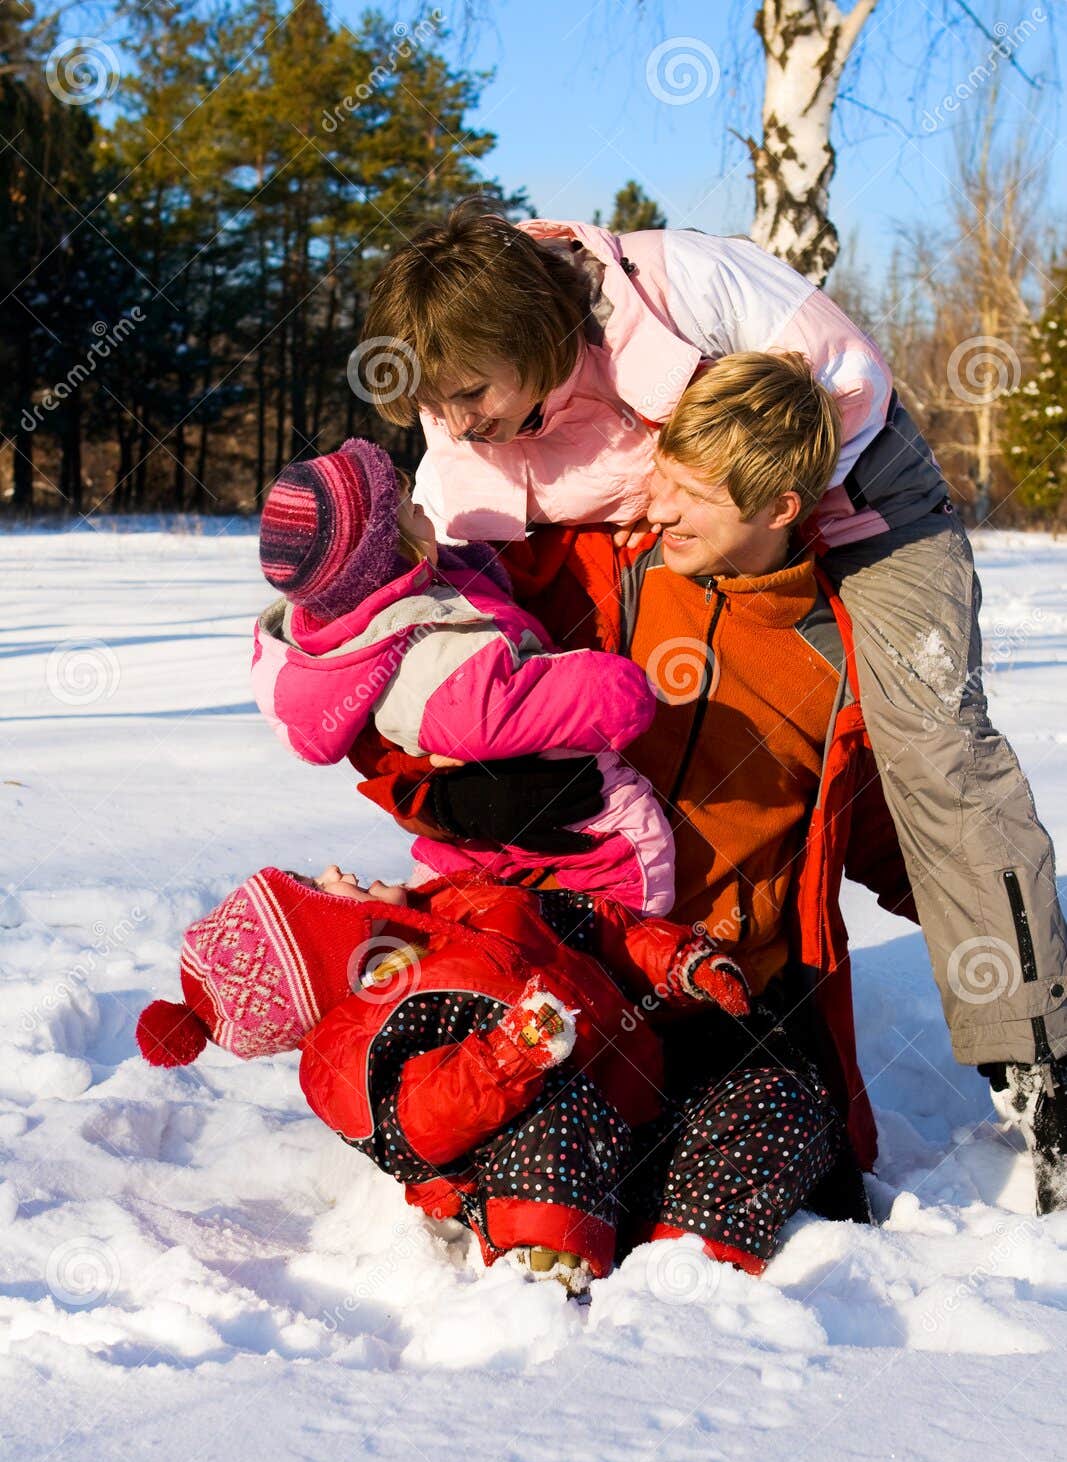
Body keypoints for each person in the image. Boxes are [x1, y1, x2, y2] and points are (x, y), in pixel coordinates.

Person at [362, 202, 1067, 1206]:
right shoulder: (462, 394)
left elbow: (851, 387)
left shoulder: (681, 284)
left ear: (529, 333)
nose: (459, 420)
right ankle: (558, 1004)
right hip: (680, 535)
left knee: (927, 752)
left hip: (852, 504)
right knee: (574, 730)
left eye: (471, 393)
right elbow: (453, 566)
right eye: (441, 402)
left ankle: (1039, 1055)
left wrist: (750, 525)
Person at [135, 862, 839, 1291]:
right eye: (316, 887)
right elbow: (420, 1126)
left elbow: (593, 927)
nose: (334, 870)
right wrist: (510, 1055)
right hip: (548, 1166)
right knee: (548, 1108)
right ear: (322, 945)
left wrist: (678, 963)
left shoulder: (462, 908)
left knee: (771, 1085)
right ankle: (548, 1263)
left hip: (643, 1105)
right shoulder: (345, 1045)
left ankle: (692, 1249)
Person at [251, 436, 673, 915]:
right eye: (411, 512)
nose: (428, 516)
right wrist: (627, 687)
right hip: (585, 845)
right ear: (389, 558)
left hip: (475, 852)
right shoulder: (427, 656)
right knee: (626, 938)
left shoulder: (374, 619)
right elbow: (510, 706)